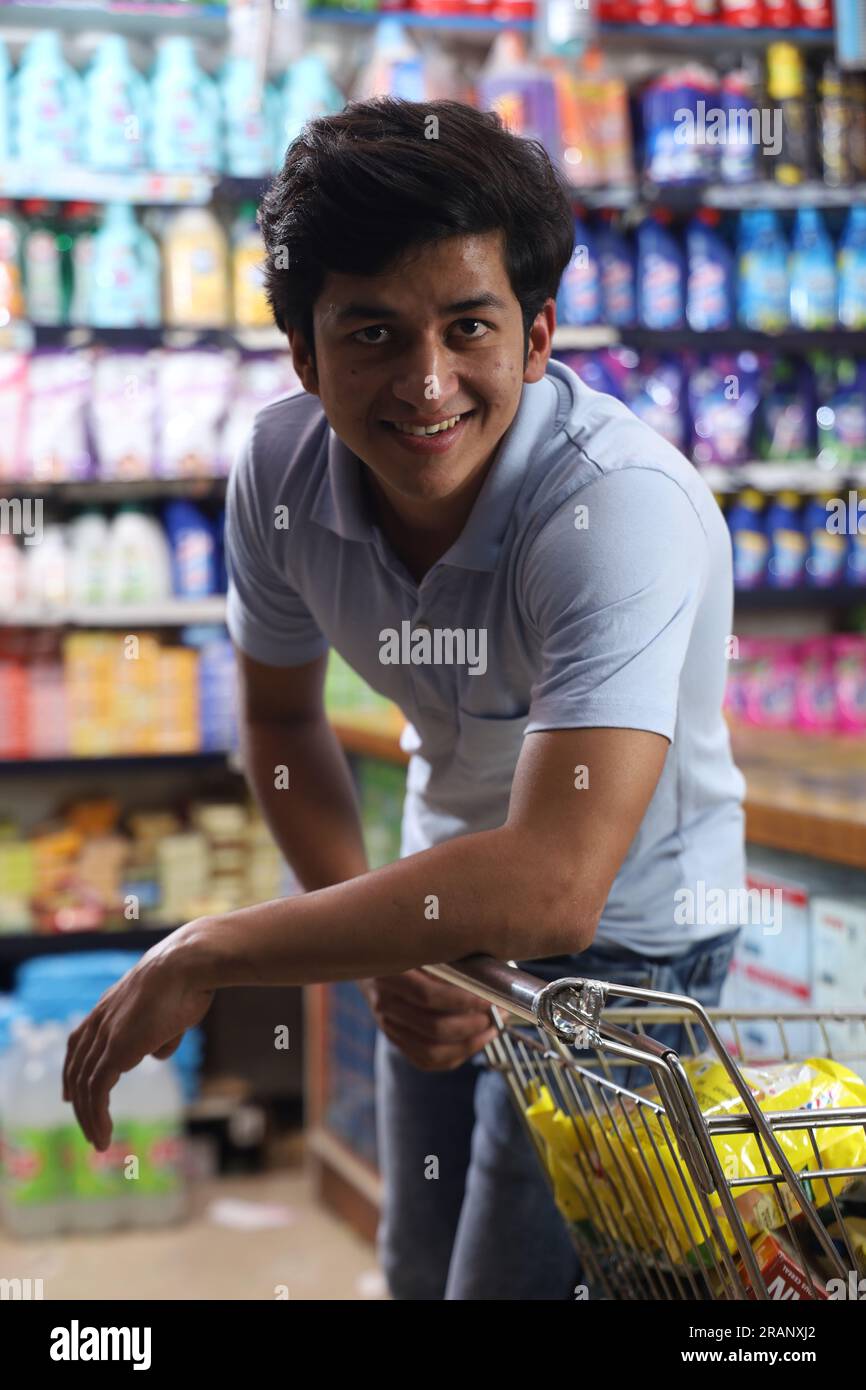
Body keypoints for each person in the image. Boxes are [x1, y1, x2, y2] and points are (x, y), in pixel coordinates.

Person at [63, 97, 745, 1300]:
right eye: (371, 332)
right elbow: (281, 723)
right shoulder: (278, 474)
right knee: (415, 1265)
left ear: (535, 337)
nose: (426, 384)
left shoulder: (616, 508)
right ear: (304, 354)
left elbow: (555, 883)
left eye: (467, 326)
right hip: (438, 894)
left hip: (625, 948)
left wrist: (210, 948)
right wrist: (381, 947)